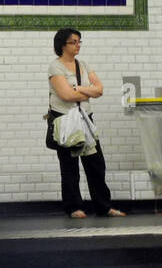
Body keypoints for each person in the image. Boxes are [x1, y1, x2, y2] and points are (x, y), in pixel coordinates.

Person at [48, 28, 126, 219]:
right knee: (69, 167)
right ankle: (74, 207)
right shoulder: (55, 67)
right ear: (62, 45)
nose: (78, 45)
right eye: (73, 42)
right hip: (65, 120)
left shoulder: (82, 64)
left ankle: (103, 206)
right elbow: (65, 95)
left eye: (79, 42)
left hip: (85, 119)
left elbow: (99, 90)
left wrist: (78, 88)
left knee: (96, 164)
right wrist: (87, 91)